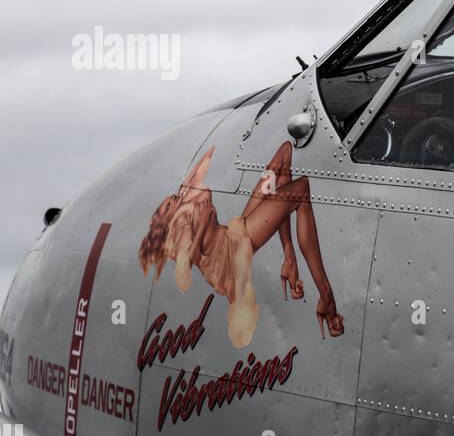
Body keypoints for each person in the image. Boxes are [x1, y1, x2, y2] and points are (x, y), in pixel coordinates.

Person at [139, 142, 343, 347]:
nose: (172, 198)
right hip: (229, 258)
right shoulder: (180, 228)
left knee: (284, 154)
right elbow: (190, 260)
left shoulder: (185, 202)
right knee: (301, 188)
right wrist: (201, 226)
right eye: (168, 205)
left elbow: (205, 194)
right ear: (167, 219)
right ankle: (327, 299)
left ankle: (289, 259)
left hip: (234, 233)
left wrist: (201, 210)